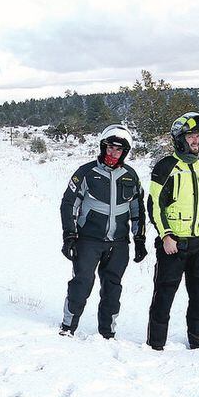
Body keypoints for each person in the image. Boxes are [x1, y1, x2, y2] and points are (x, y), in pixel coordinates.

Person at [147, 112, 199, 350]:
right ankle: (155, 344)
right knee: (164, 294)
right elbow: (154, 204)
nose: (196, 141)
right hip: (174, 244)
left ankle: (197, 341)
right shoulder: (166, 166)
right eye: (191, 136)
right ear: (180, 138)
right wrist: (166, 235)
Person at [59, 124, 147, 338]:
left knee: (113, 289)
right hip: (89, 240)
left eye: (118, 149)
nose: (113, 153)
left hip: (119, 243)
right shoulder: (86, 172)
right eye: (109, 147)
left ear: (124, 152)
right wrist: (69, 235)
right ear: (102, 147)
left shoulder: (130, 176)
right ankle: (68, 326)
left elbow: (137, 209)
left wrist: (140, 239)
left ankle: (107, 332)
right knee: (82, 283)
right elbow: (69, 203)